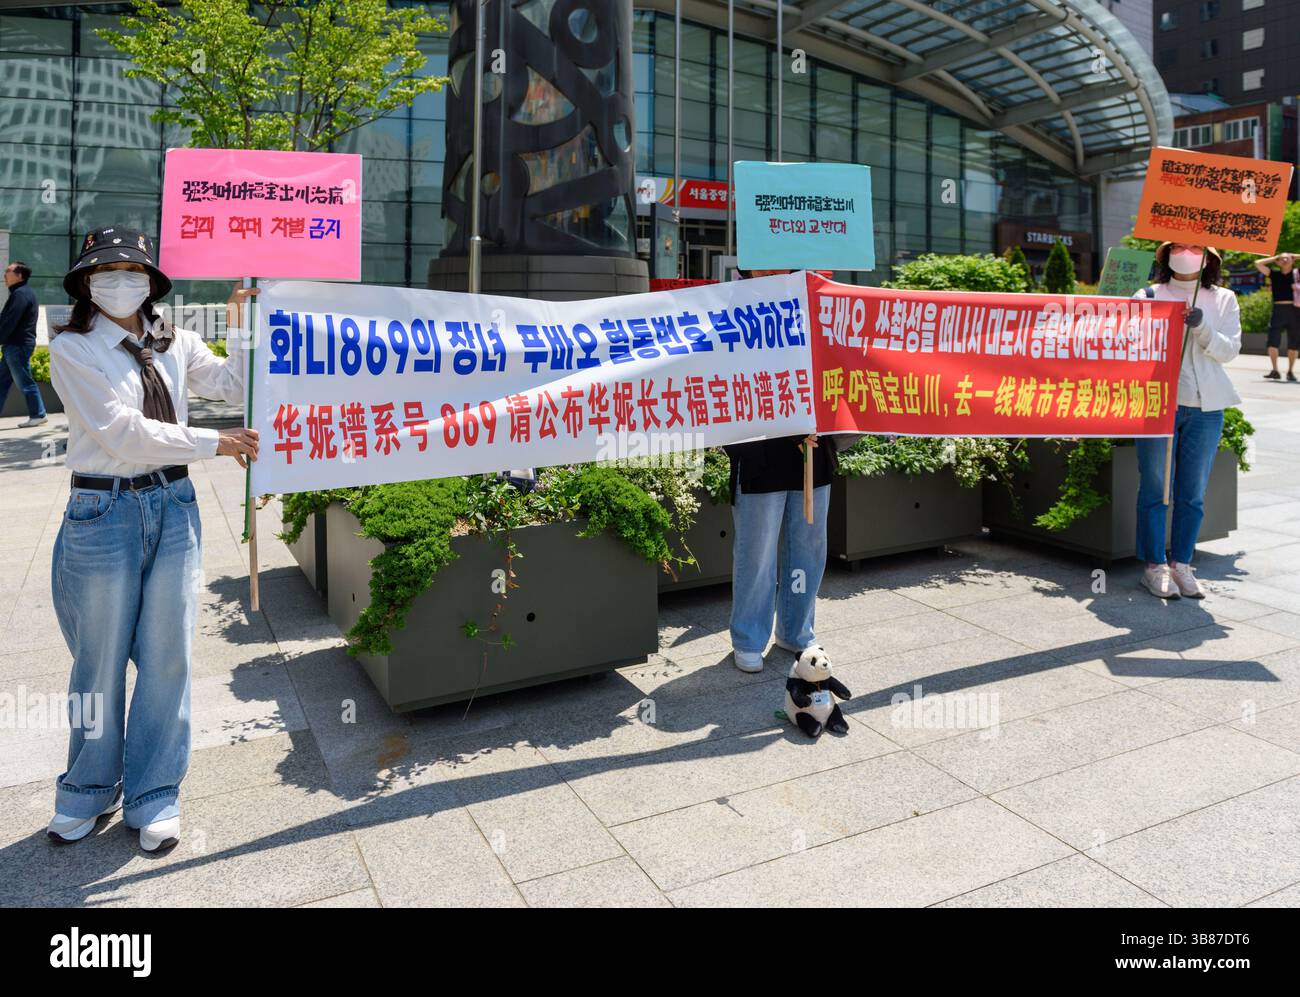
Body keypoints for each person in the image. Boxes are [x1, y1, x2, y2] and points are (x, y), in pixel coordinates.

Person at [45, 226, 259, 852]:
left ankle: (154, 791)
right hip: (102, 512)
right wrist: (216, 442)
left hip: (173, 505)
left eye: (132, 270)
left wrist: (241, 321)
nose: (119, 281)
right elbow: (121, 432)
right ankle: (86, 791)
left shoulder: (176, 341)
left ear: (152, 280)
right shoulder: (74, 348)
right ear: (86, 283)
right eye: (104, 271)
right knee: (98, 662)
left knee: (169, 658)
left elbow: (234, 386)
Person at [723, 268, 842, 673]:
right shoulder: (736, 309)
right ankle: (749, 636)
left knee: (807, 548)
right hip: (759, 456)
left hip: (812, 452)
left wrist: (826, 422)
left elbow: (840, 371)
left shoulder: (818, 305)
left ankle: (796, 630)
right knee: (756, 553)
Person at [1133, 242, 1241, 599]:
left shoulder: (1223, 298)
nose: (1186, 252)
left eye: (1195, 247)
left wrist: (1201, 326)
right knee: (1155, 488)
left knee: (1192, 493)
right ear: (1165, 256)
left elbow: (1229, 350)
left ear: (1209, 258)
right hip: (1157, 406)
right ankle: (1153, 566)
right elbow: (1127, 341)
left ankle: (1182, 563)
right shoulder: (1148, 294)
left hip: (1206, 408)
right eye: (1177, 246)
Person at [0, 260, 48, 427]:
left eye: (8, 271)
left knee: (24, 382)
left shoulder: (20, 294)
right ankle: (39, 414)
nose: (5, 274)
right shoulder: (21, 293)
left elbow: (9, 322)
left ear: (19, 275)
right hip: (15, 345)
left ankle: (38, 414)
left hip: (18, 346)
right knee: (2, 382)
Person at [1256, 252, 1297, 381]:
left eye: (1287, 258)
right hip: (1278, 309)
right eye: (1281, 259)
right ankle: (1275, 370)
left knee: (1294, 343)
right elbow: (1258, 263)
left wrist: (1294, 256)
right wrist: (1275, 258)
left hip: (1295, 310)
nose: (1284, 260)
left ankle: (1290, 371)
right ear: (1277, 262)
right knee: (1272, 340)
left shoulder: (1297, 274)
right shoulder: (1274, 274)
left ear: (1293, 261)